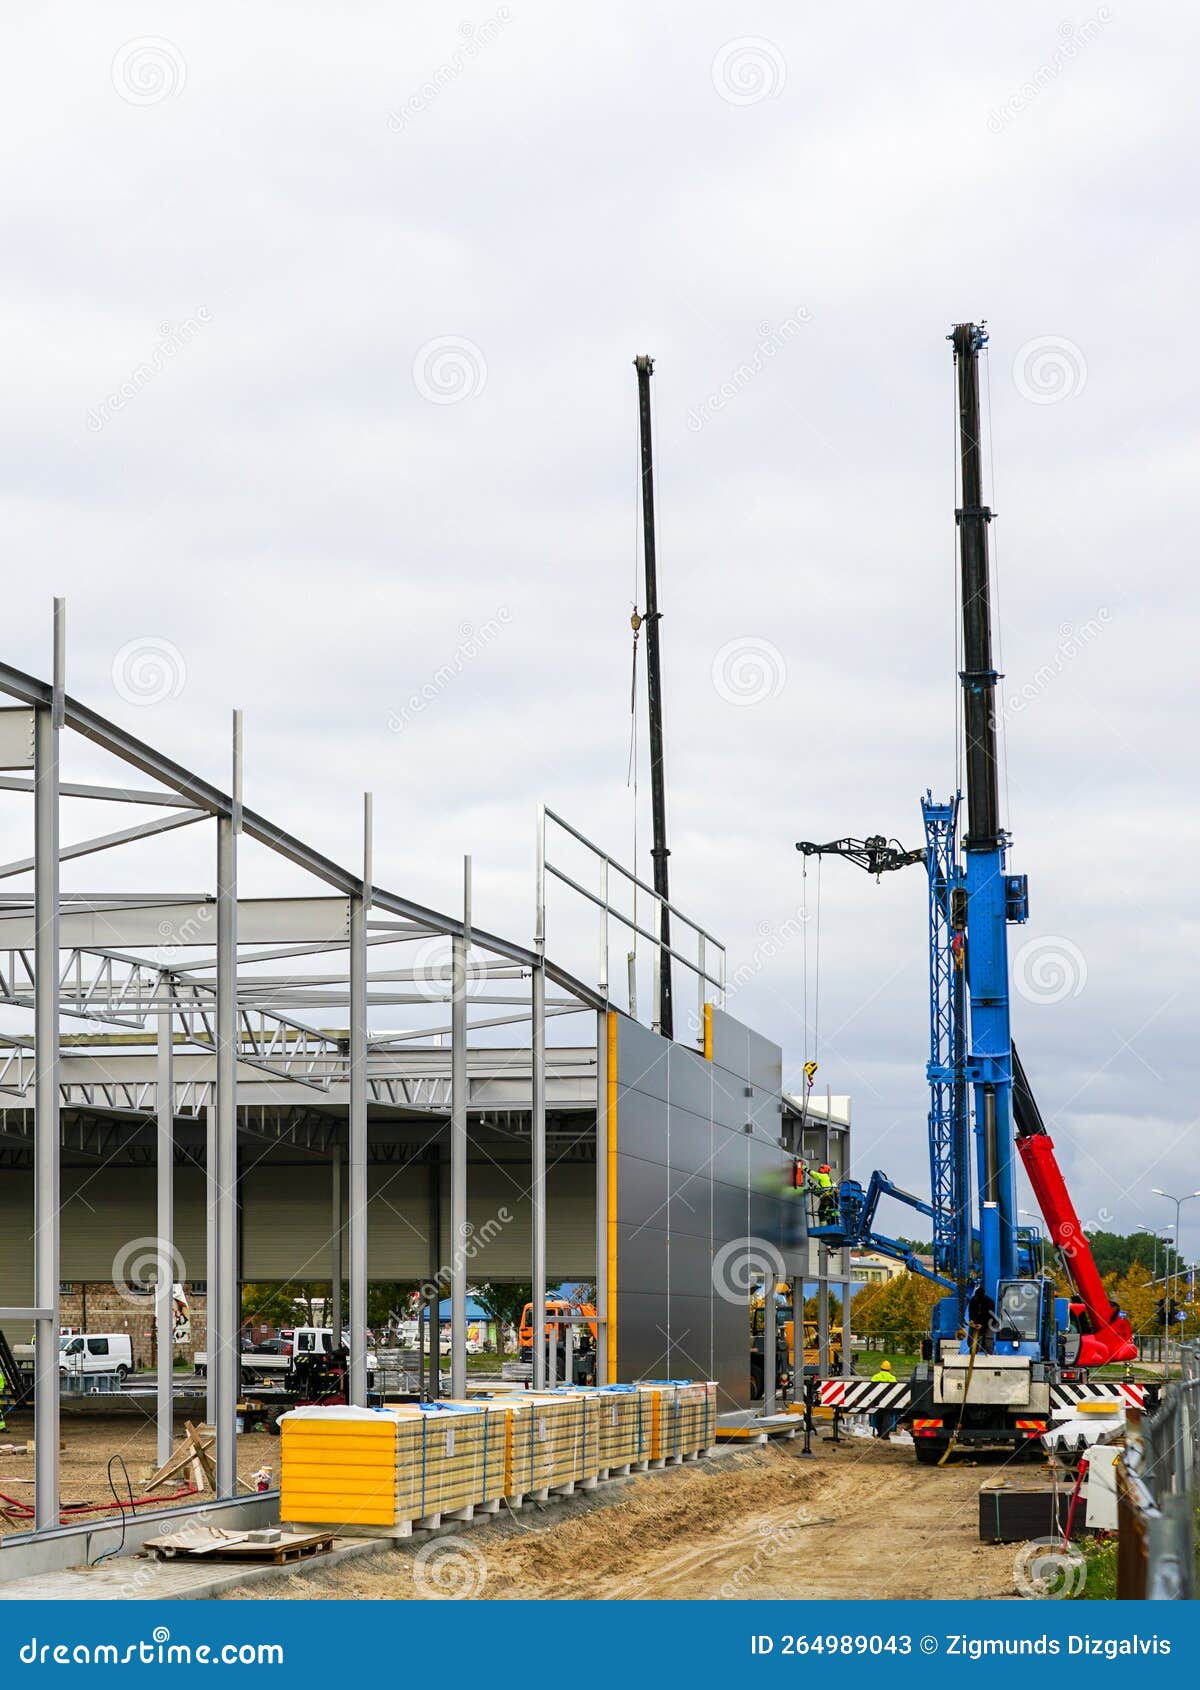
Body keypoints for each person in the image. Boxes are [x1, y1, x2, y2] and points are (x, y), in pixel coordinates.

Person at [870, 1358, 899, 1439]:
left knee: (878, 1416)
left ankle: (879, 1433)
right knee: (887, 1417)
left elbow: (870, 1388)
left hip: (877, 1401)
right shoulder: (892, 1378)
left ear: (881, 1367)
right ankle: (885, 1435)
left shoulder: (875, 1377)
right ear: (889, 1369)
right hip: (888, 1401)